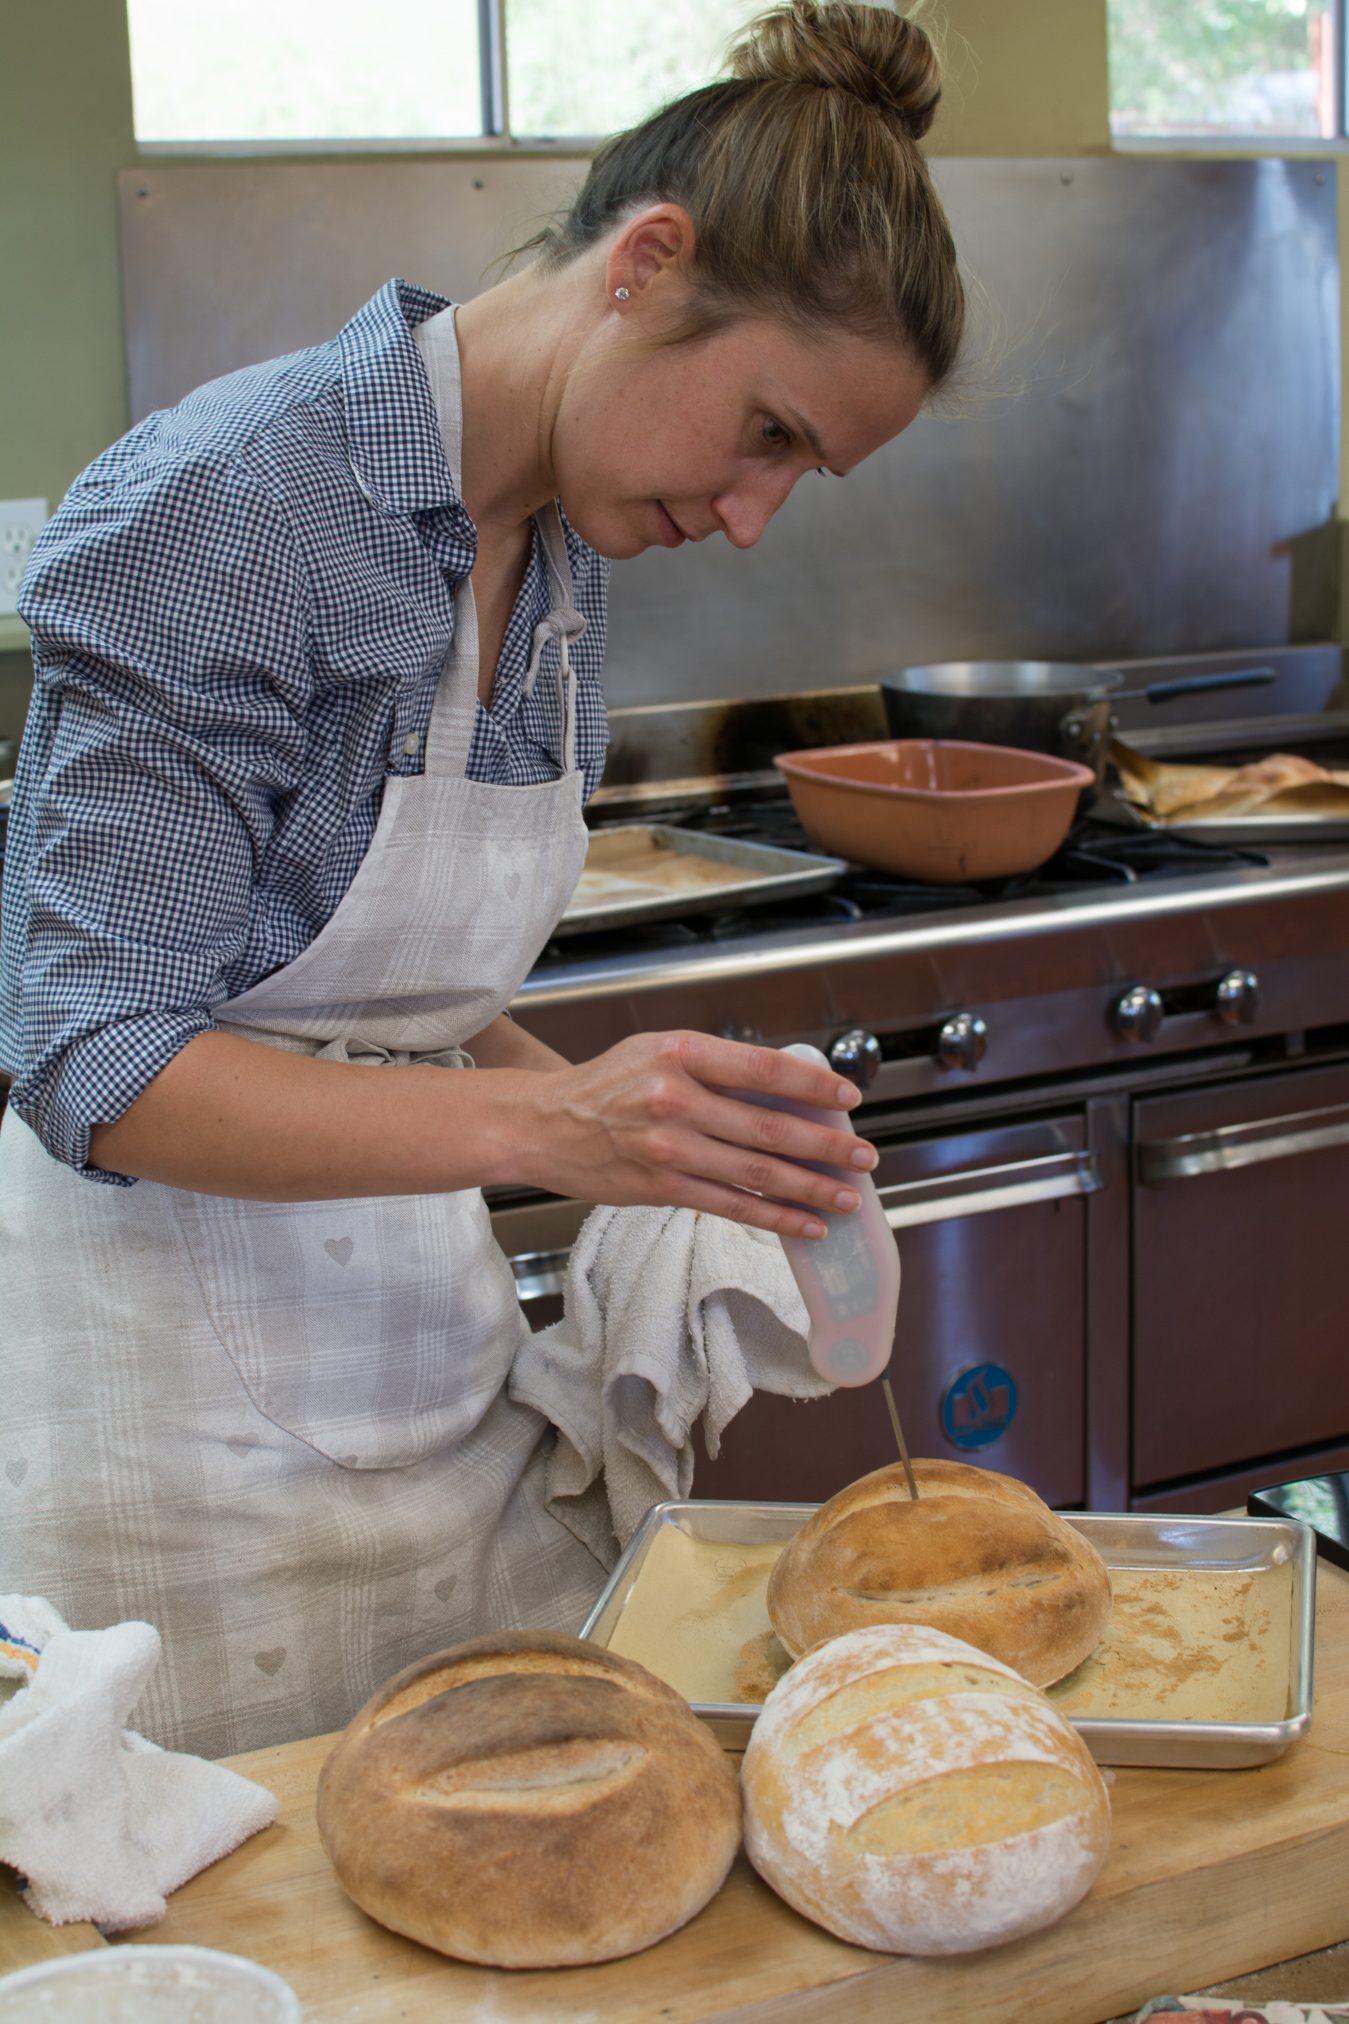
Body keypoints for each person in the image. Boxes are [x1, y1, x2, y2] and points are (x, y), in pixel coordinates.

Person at [0, 0, 965, 1756]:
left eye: (802, 475)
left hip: (428, 1397)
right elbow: (95, 1061)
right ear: (645, 264)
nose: (752, 514)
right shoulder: (225, 510)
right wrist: (558, 1130)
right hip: (168, 1445)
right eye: (764, 431)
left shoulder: (567, 544)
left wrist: (668, 1128)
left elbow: (372, 1004)